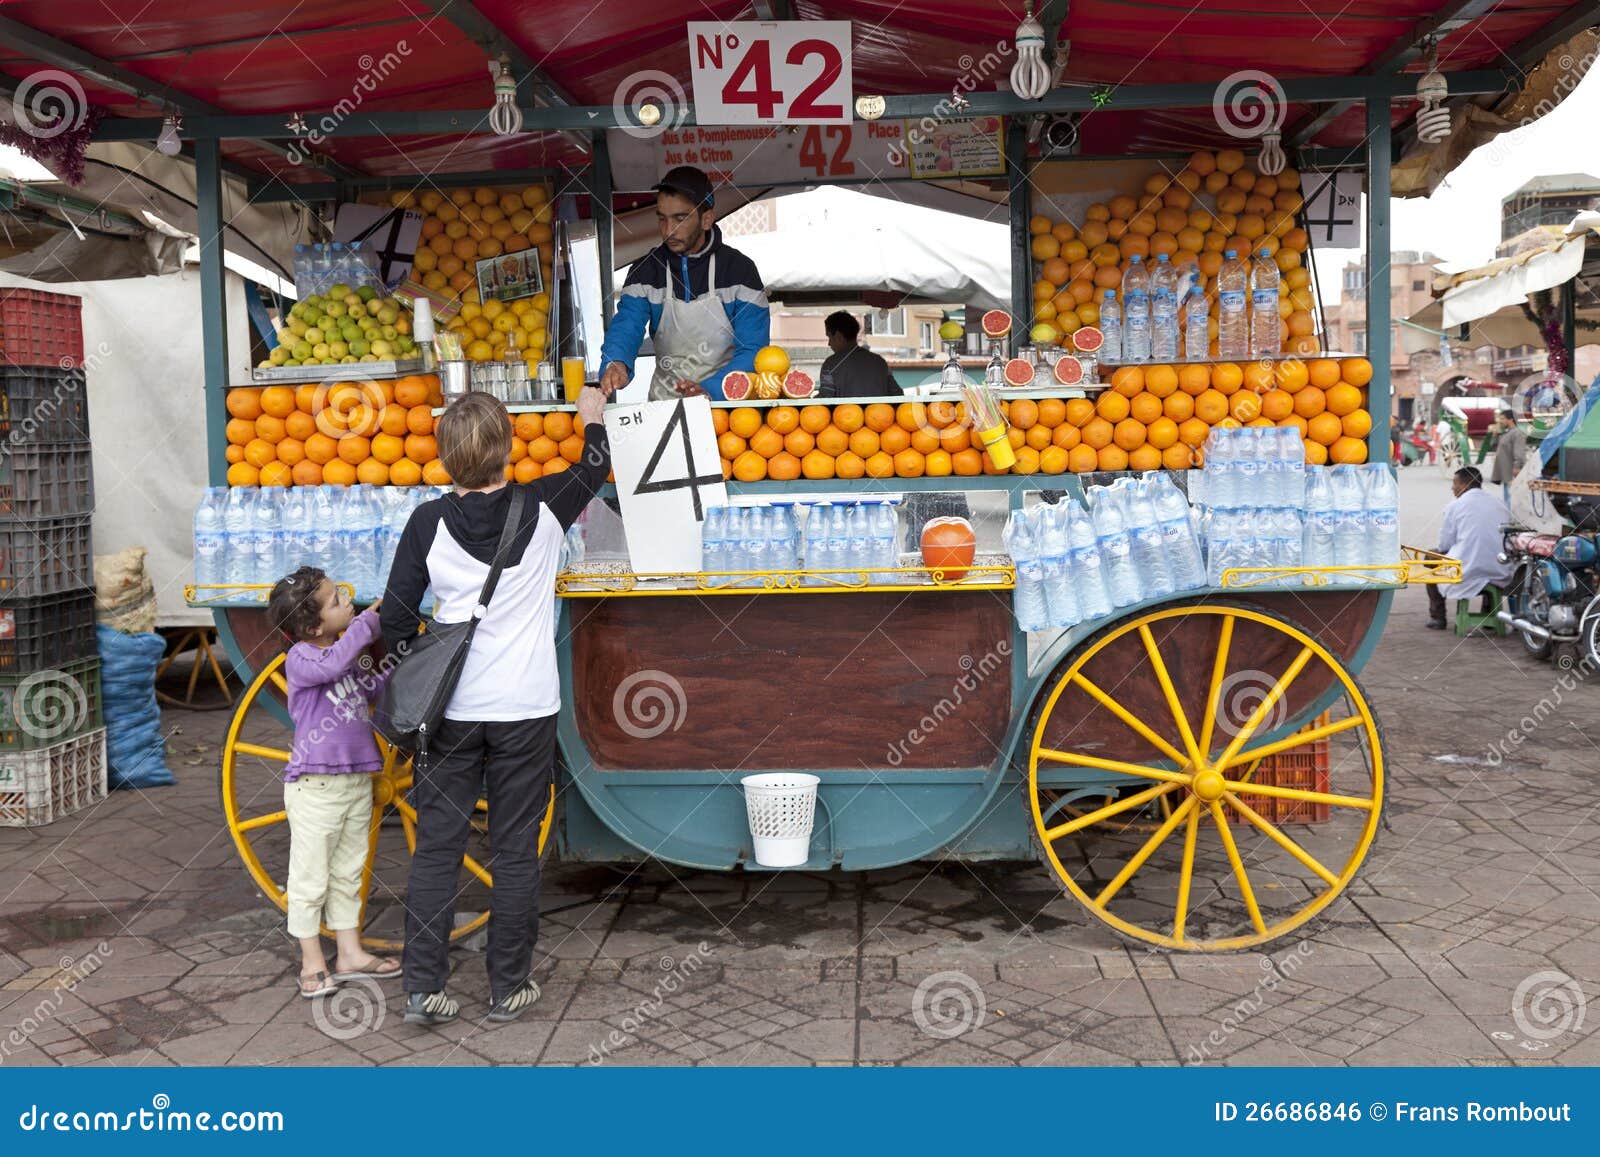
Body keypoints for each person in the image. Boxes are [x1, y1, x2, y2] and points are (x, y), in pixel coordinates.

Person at [379, 387, 611, 1025]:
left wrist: (428, 653)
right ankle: (509, 987)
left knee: (437, 848)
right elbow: (597, 465)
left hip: (449, 712)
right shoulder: (543, 507)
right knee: (513, 849)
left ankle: (423, 988)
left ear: (445, 458)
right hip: (525, 706)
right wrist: (592, 417)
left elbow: (395, 621)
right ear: (508, 449)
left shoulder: (426, 522)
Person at [266, 569, 400, 1000]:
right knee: (310, 879)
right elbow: (336, 663)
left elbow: (369, 687)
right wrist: (367, 624)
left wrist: (403, 660)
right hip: (316, 788)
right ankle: (311, 961)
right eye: (336, 599)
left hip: (356, 781)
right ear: (312, 627)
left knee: (347, 873)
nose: (347, 599)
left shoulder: (343, 656)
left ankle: (349, 953)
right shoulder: (304, 658)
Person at [598, 165, 769, 401]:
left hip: (729, 408)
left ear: (706, 219)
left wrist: (712, 389)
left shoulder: (740, 271)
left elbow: (754, 350)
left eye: (680, 218)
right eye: (662, 219)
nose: (669, 231)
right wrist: (616, 361)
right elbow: (627, 325)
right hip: (665, 404)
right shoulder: (645, 270)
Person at [1427, 467, 1514, 630]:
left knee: (1430, 557)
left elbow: (1444, 545)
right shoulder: (1499, 504)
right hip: (1500, 568)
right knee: (1485, 559)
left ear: (1464, 485)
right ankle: (1489, 613)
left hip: (1466, 571)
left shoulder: (1455, 506)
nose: (1452, 488)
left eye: (1455, 483)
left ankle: (1438, 617)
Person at [816, 311, 901, 398]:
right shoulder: (879, 362)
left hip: (845, 412)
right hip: (880, 411)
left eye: (829, 337)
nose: (829, 343)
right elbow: (898, 394)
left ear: (838, 336)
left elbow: (825, 397)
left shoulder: (830, 364)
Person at [1489, 408, 1527, 505]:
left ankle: (1512, 518)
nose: (1500, 421)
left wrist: (1517, 467)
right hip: (1506, 470)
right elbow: (1493, 447)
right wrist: (1494, 436)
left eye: (1502, 419)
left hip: (1512, 471)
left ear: (1510, 420)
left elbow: (1519, 452)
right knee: (1507, 497)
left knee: (1511, 498)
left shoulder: (1517, 433)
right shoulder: (1506, 433)